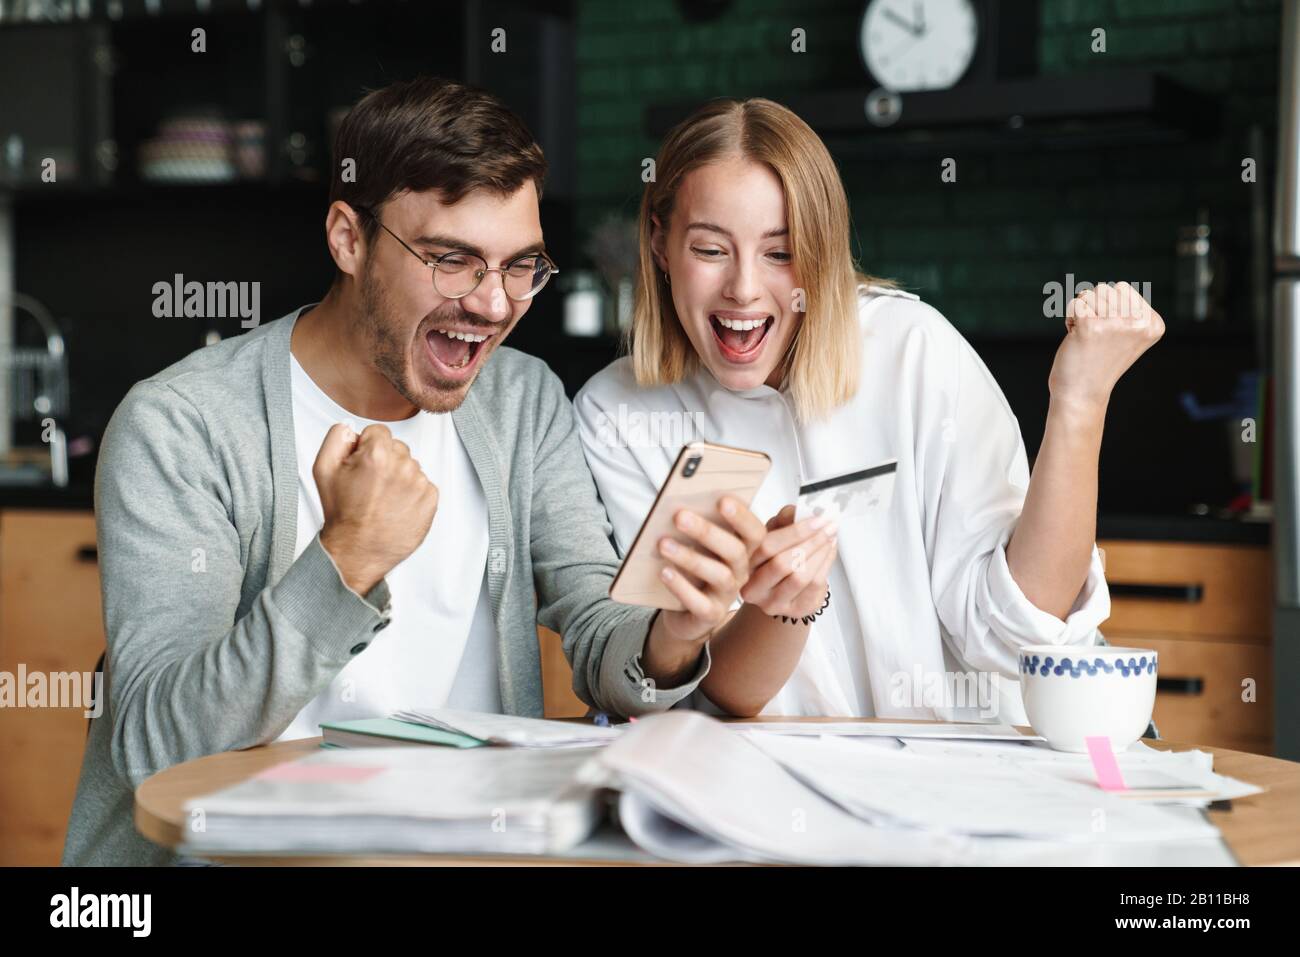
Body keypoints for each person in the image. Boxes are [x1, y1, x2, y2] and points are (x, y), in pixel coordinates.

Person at [63, 77, 746, 866]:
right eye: (453, 260)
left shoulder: (522, 401)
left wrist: (673, 633)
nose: (493, 304)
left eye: (520, 265)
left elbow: (598, 631)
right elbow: (157, 746)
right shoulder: (183, 426)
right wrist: (345, 560)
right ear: (349, 238)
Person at [576, 97, 1162, 721]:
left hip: (964, 774)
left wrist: (1080, 401)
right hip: (764, 787)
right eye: (711, 249)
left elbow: (1023, 630)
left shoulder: (912, 349)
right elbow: (693, 696)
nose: (743, 288)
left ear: (823, 251)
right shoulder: (618, 414)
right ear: (660, 243)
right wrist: (778, 608)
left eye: (780, 252)